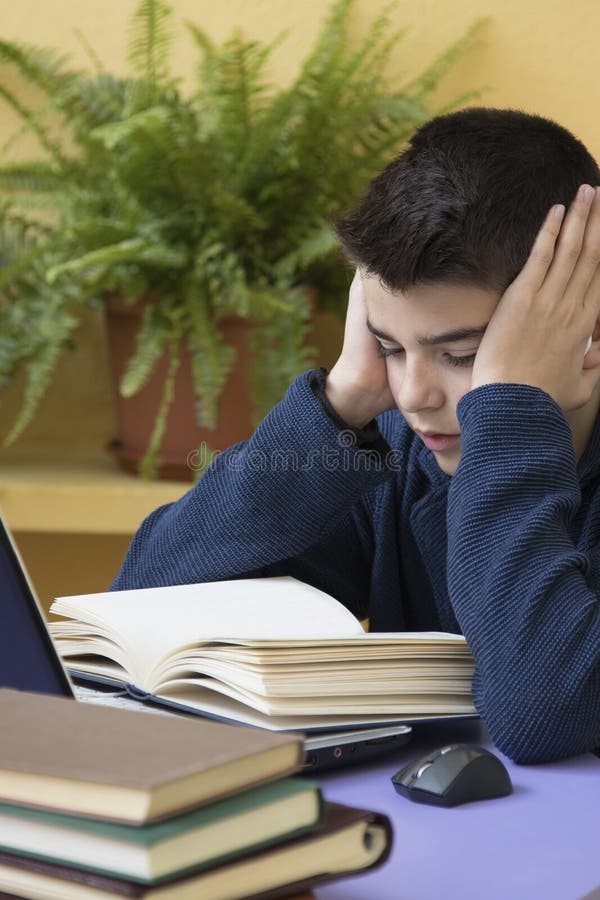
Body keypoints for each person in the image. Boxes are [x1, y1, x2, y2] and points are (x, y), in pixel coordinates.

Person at [112, 107, 600, 764]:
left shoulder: (466, 441)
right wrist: (341, 402)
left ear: (587, 330)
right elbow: (143, 599)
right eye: (391, 346)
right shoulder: (406, 451)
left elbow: (545, 713)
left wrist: (510, 415)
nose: (413, 395)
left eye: (462, 355)